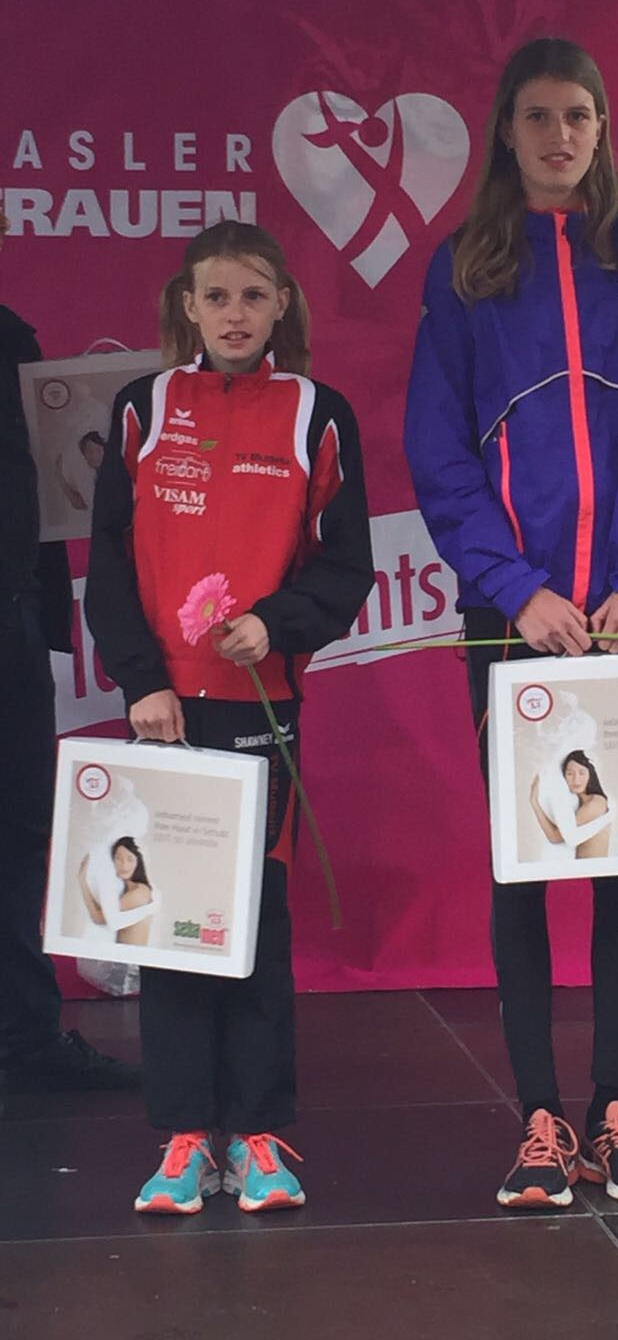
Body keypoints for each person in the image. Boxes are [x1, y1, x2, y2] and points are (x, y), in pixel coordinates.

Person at [405, 37, 618, 1209]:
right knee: (527, 862)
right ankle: (541, 1115)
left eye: (578, 115)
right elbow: (438, 454)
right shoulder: (467, 267)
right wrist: (513, 588)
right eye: (537, 116)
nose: (558, 136)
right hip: (516, 615)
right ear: (507, 131)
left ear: (603, 127)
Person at [85, 220, 373, 1214]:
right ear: (187, 307)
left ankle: (257, 1134)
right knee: (170, 927)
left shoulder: (317, 414)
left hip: (264, 706)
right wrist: (139, 681)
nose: (236, 314)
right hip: (164, 710)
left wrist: (275, 624)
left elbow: (346, 567)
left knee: (254, 920)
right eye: (216, 297)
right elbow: (109, 563)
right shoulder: (142, 408)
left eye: (254, 295)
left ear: (281, 303)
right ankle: (178, 1137)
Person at [0, 208, 138, 1117]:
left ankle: (25, 1034)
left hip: (5, 619)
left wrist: (47, 624)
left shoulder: (12, 336)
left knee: (17, 832)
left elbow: (43, 488)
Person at [530, 751, 613, 860]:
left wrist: (534, 803)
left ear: (590, 774)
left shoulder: (595, 803)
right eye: (570, 774)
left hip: (593, 870)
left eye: (581, 773)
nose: (576, 779)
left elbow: (555, 837)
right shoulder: (581, 804)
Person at [78, 837, 155, 945]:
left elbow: (99, 918)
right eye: (118, 859)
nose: (124, 865)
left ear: (138, 862)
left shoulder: (139, 892)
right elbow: (103, 912)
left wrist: (82, 882)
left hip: (131, 958)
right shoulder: (128, 890)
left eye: (130, 859)